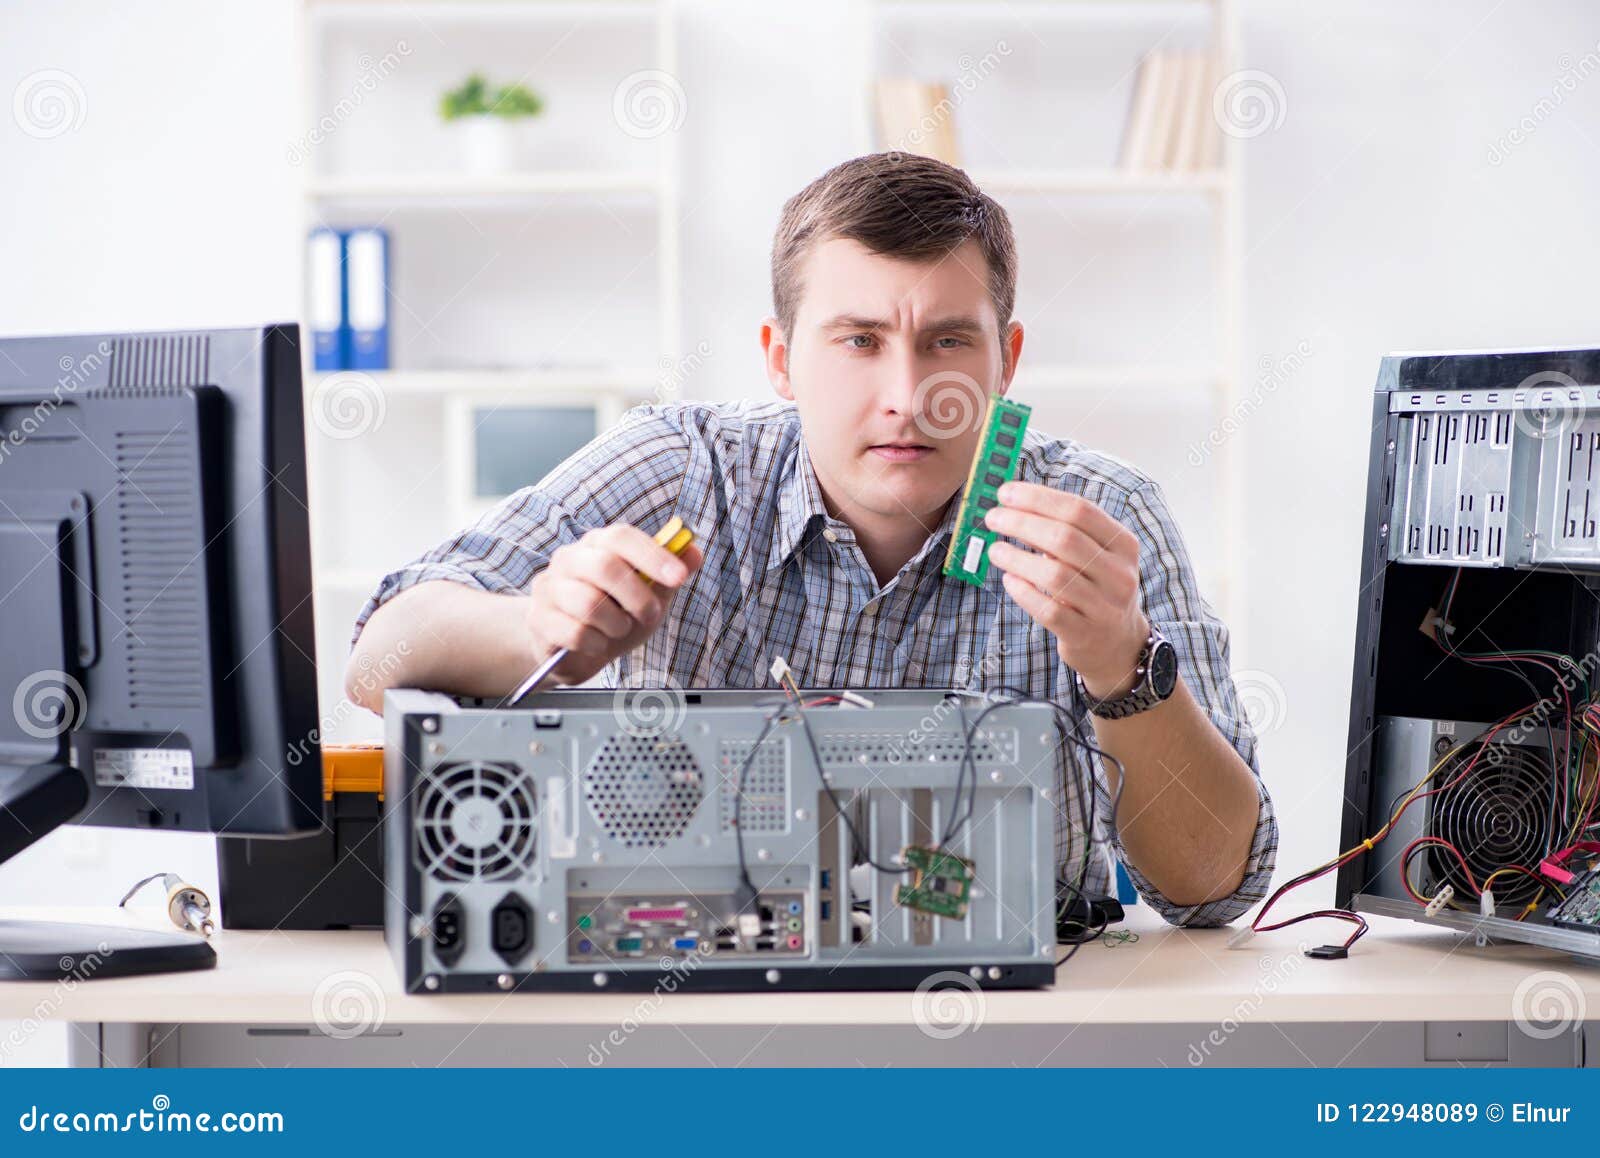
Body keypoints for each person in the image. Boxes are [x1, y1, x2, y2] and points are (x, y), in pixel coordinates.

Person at [347, 152, 1277, 927]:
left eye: (949, 342)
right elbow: (378, 652)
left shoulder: (1105, 514)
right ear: (780, 359)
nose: (907, 398)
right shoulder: (682, 469)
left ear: (1009, 358)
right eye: (859, 341)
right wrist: (532, 631)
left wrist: (1124, 668)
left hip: (1018, 1033)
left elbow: (1216, 892)